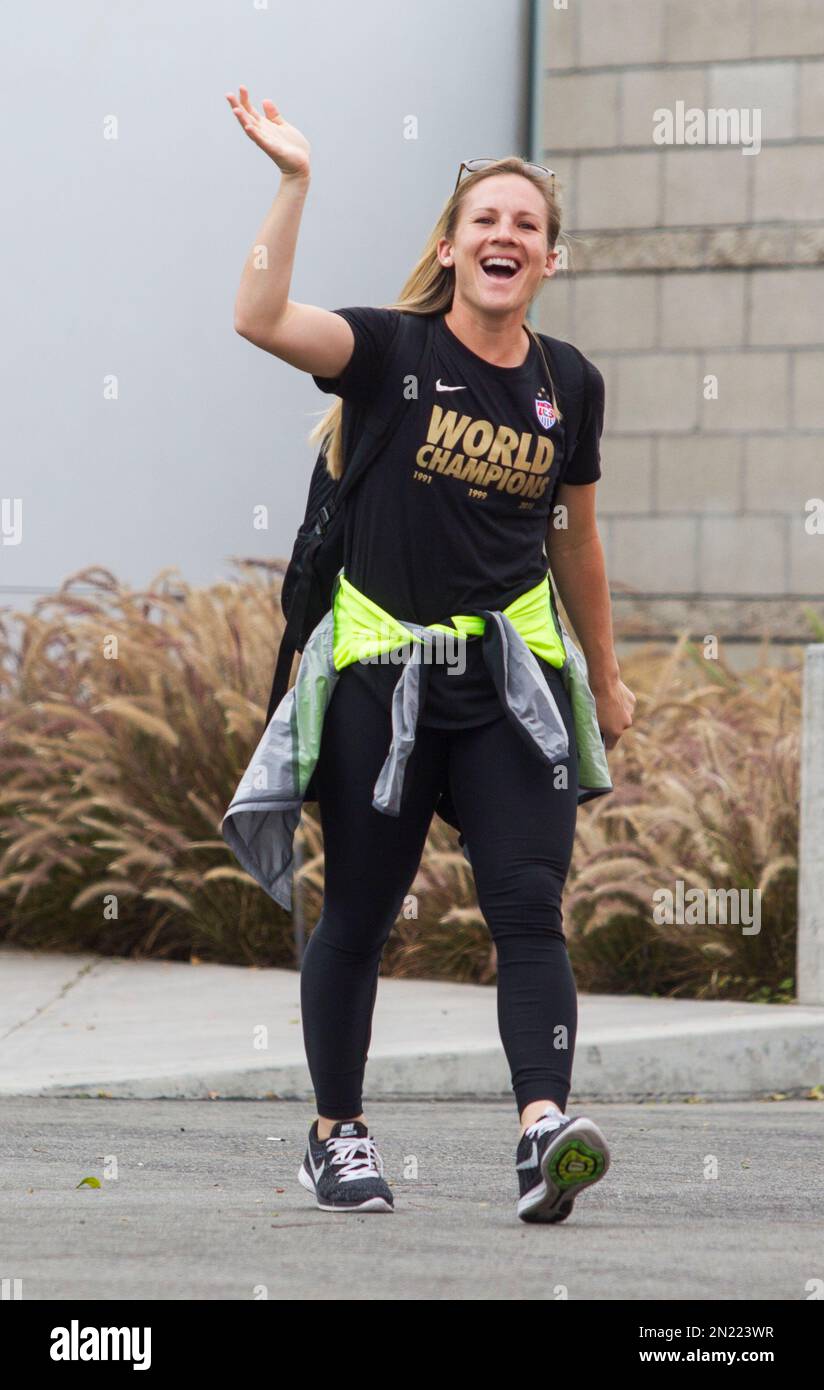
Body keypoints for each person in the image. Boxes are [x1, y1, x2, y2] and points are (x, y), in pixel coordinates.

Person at [225, 86, 636, 1223]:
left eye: (527, 227)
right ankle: (335, 1133)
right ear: (450, 248)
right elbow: (258, 316)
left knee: (526, 902)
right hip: (379, 680)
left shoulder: (566, 383)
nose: (505, 237)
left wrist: (602, 674)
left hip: (508, 683)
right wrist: (293, 182)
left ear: (550, 259)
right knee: (359, 908)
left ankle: (540, 1128)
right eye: (485, 221)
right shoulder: (386, 348)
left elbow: (577, 540)